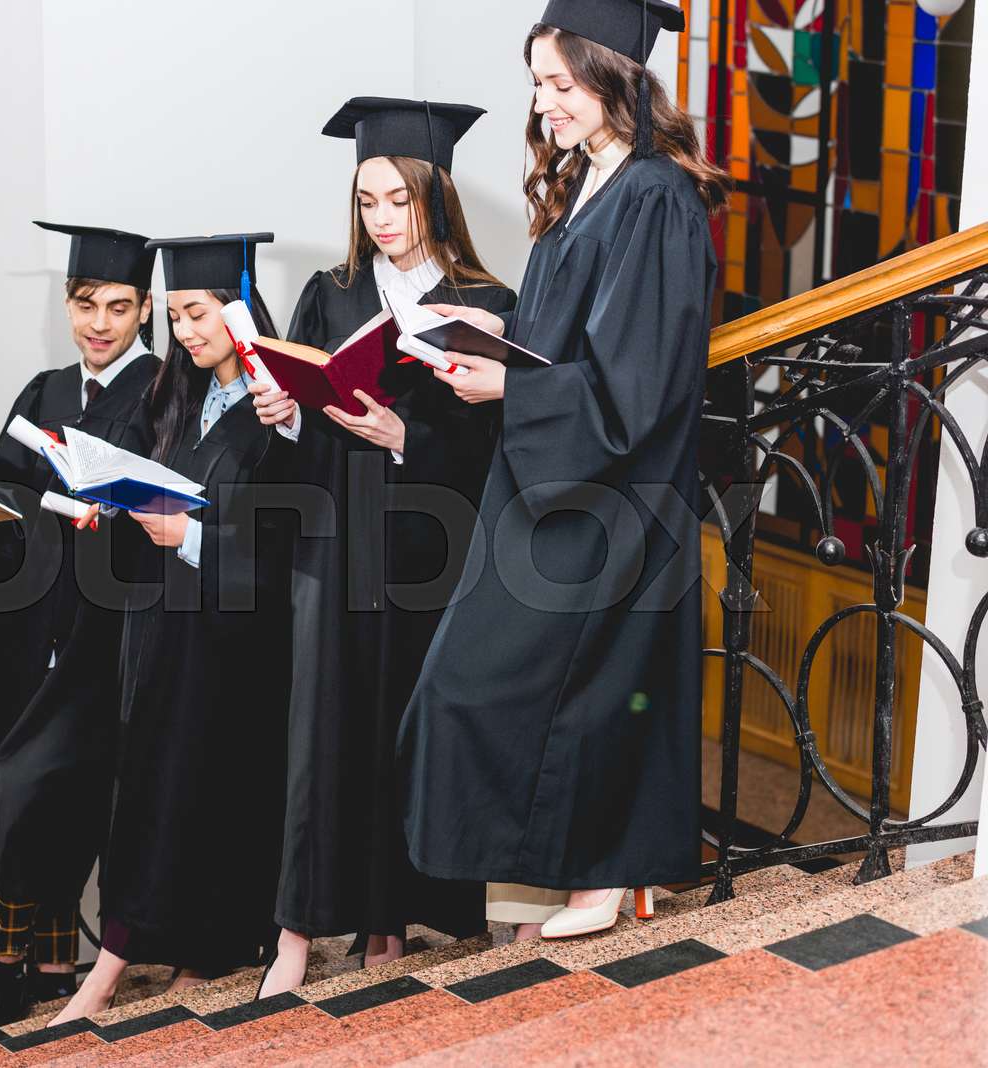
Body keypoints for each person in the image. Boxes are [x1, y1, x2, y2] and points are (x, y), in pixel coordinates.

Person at [398, 0, 729, 943]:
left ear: (615, 75)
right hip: (554, 477)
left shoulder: (657, 194)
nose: (545, 104)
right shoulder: (589, 181)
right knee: (510, 689)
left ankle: (607, 873)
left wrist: (513, 386)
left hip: (610, 490)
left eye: (560, 83)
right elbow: (581, 334)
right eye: (538, 83)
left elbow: (643, 375)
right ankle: (592, 873)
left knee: (564, 687)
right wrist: (501, 342)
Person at [253, 98, 518, 998]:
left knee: (416, 732)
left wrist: (406, 438)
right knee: (322, 737)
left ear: (437, 198)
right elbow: (294, 414)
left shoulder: (487, 304)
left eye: (399, 200)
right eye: (368, 202)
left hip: (432, 549)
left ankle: (396, 922)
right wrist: (284, 415)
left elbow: (502, 448)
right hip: (335, 543)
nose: (382, 220)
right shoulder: (330, 293)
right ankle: (297, 934)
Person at [49, 234, 295, 1023]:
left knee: (208, 795)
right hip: (164, 628)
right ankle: (137, 963)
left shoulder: (276, 412)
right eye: (179, 317)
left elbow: (284, 541)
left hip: (233, 644)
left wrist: (187, 537)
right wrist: (110, 503)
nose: (185, 333)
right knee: (154, 791)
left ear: (240, 309)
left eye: (198, 314)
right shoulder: (177, 397)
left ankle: (153, 964)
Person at [0, 222, 163, 1038]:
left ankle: (27, 972)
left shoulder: (164, 394)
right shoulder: (44, 392)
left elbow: (175, 514)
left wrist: (119, 516)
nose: (99, 323)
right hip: (35, 633)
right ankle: (26, 970)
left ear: (144, 309)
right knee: (22, 797)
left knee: (71, 803)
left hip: (114, 637)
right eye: (83, 304)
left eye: (117, 306)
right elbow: (4, 525)